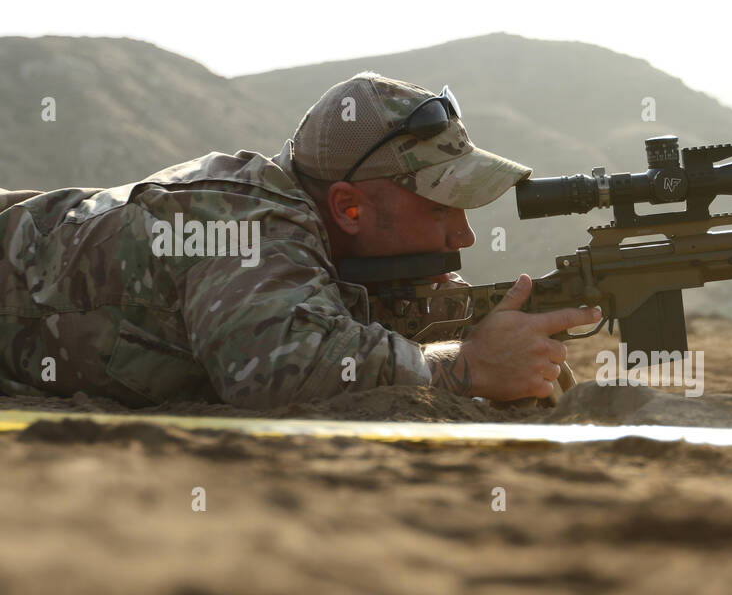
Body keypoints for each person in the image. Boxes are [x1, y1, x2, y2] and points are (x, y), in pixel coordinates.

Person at [0, 72, 599, 407]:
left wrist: (466, 325)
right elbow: (279, 369)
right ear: (349, 205)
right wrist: (467, 365)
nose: (463, 231)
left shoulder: (312, 234)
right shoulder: (247, 225)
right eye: (441, 203)